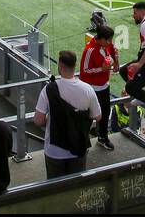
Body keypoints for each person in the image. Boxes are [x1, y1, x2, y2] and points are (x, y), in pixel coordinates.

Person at [33, 49, 100, 178]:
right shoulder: (87, 89)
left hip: (54, 151)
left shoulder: (49, 89)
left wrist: (53, 119)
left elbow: (38, 120)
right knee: (76, 188)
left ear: (60, 66)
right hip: (78, 148)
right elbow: (97, 116)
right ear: (75, 65)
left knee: (55, 189)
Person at [80, 21, 118, 150]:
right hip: (91, 89)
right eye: (108, 40)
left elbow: (113, 49)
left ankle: (102, 138)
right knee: (89, 116)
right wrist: (102, 69)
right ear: (100, 38)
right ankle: (82, 142)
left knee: (105, 112)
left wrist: (116, 62)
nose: (110, 43)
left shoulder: (106, 43)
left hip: (104, 86)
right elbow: (85, 70)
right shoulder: (89, 50)